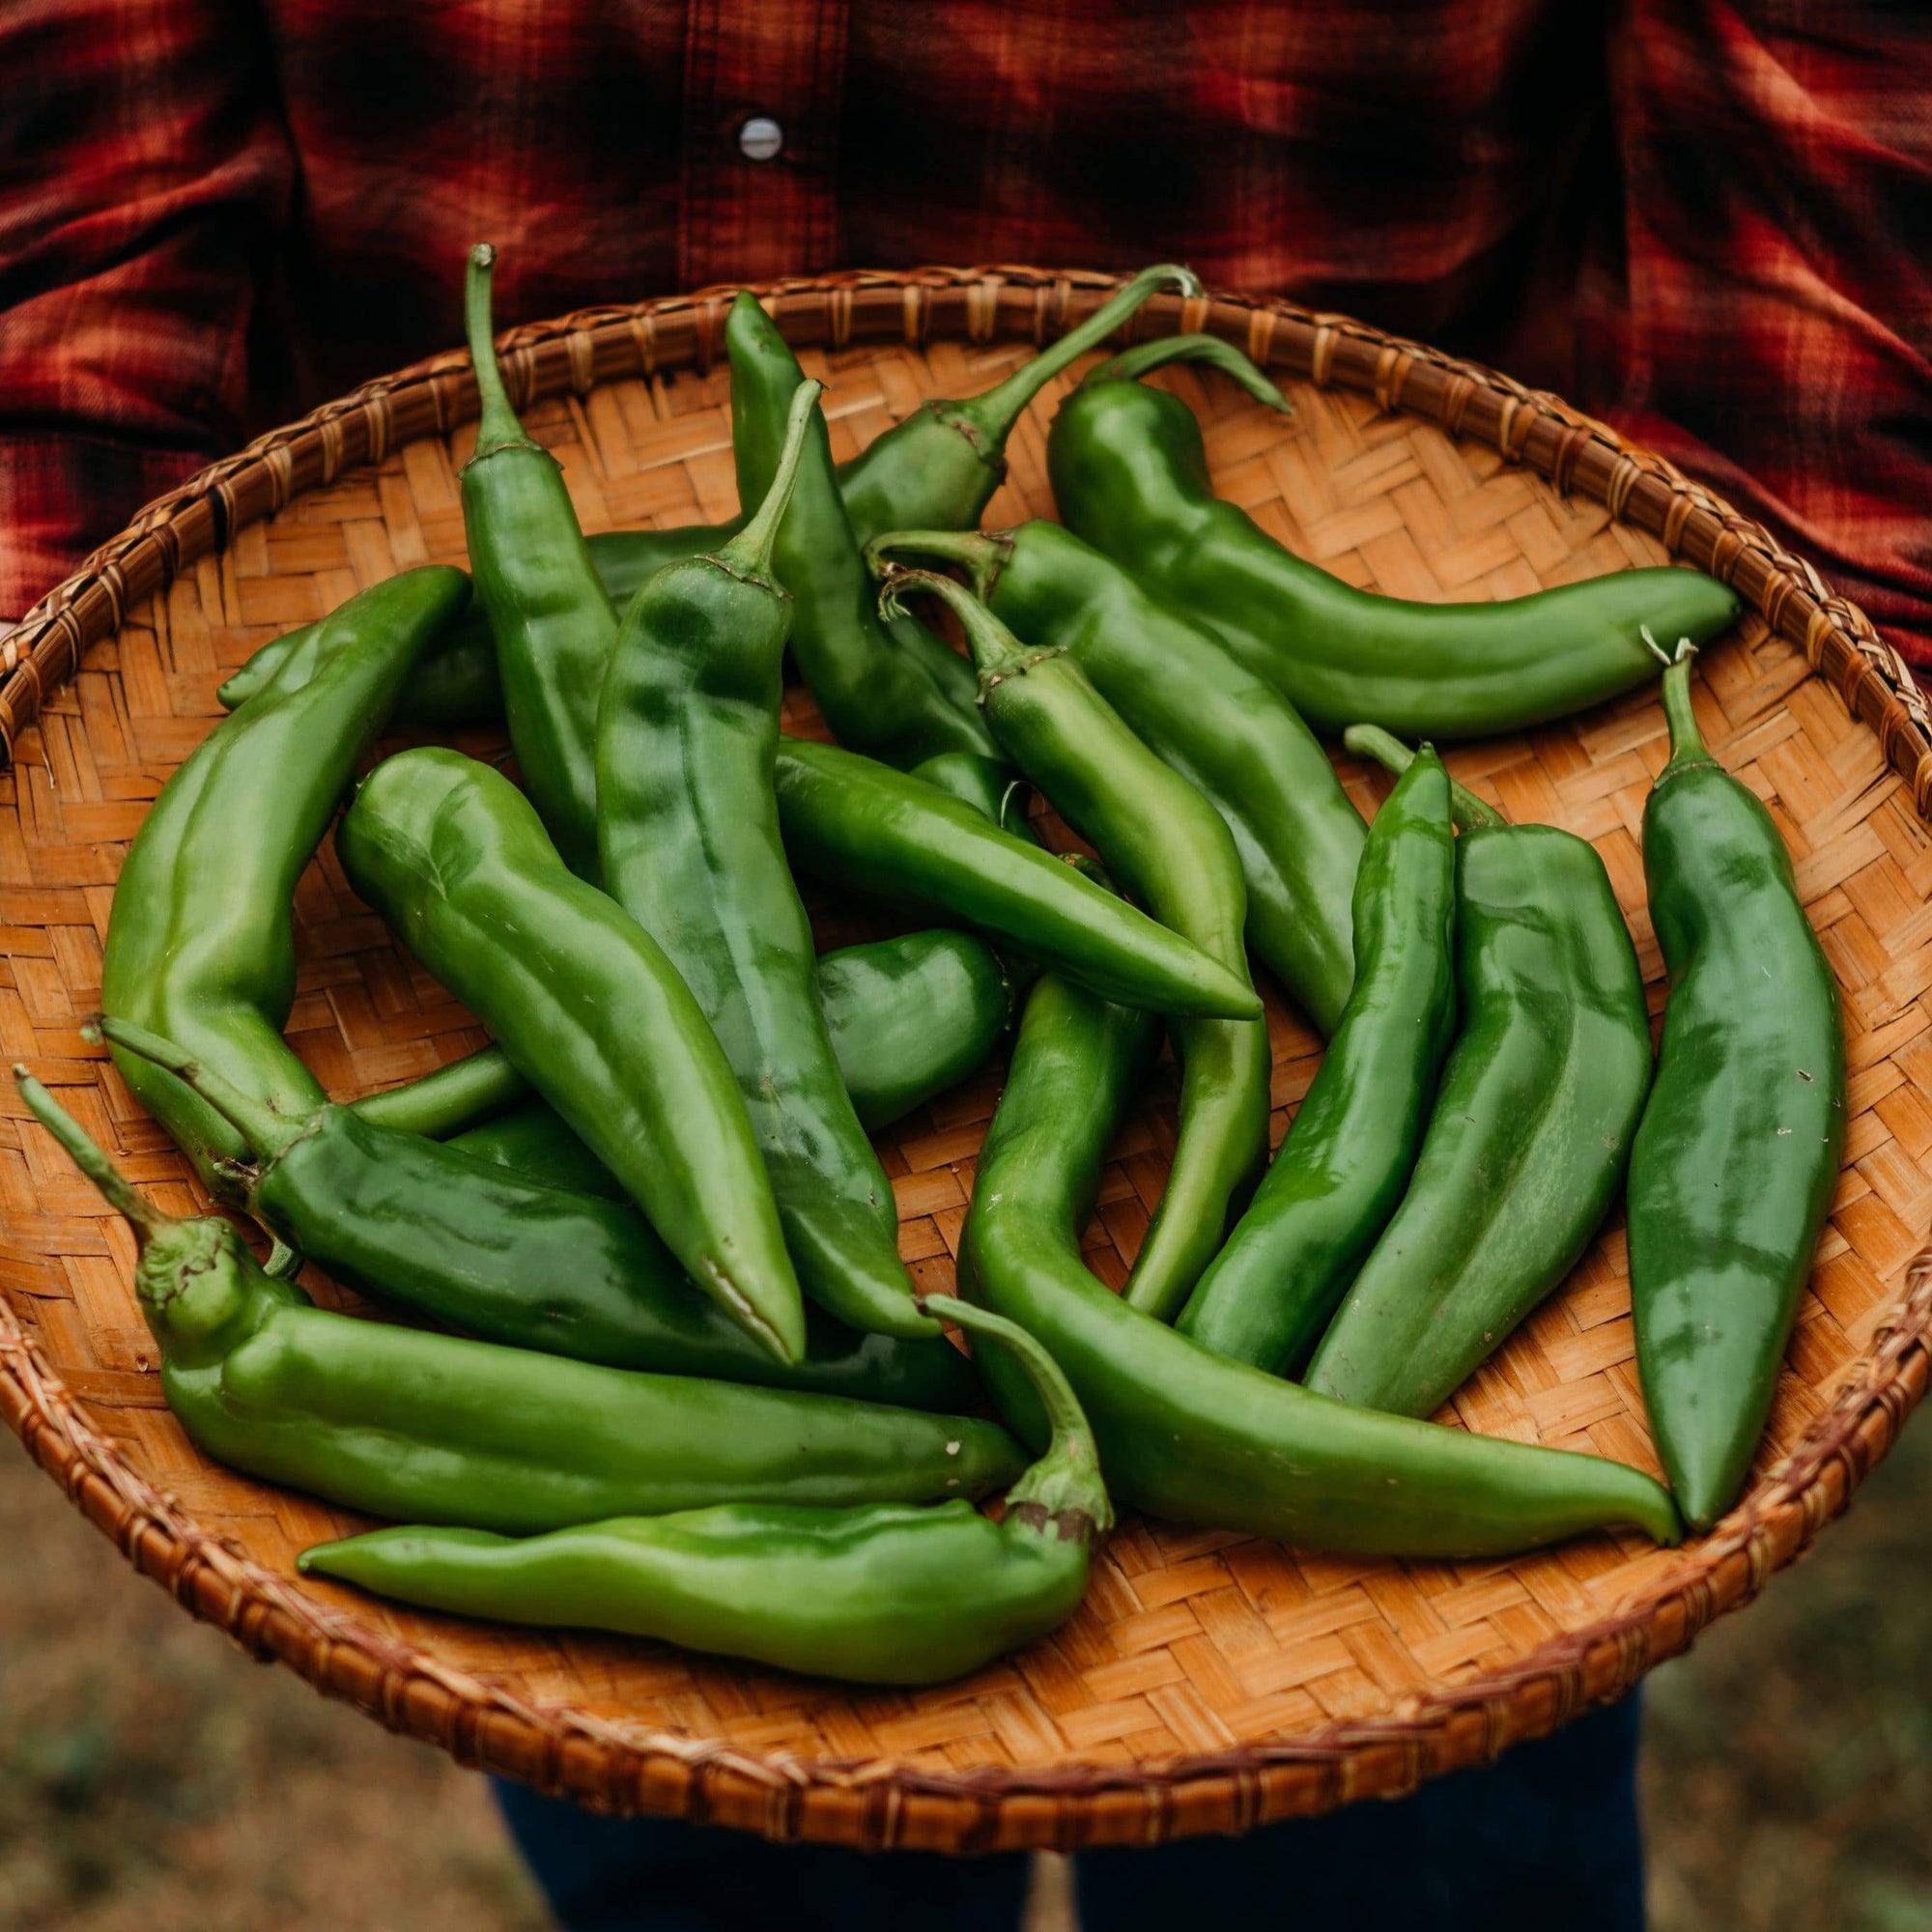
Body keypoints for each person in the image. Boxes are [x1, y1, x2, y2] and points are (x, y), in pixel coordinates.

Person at [1, 5, 1924, 1924]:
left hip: (1364, 437)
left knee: (1402, 1857)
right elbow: (90, 201)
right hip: (478, 508)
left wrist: (1819, 667)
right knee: (709, 1845)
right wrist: (54, 654)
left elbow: (1824, 251)